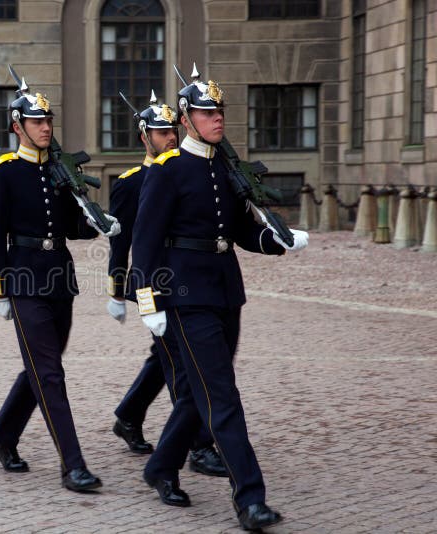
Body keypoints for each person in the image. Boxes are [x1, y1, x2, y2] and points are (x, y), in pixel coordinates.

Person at [130, 66, 308, 531]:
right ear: (187, 118)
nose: (217, 118)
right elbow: (145, 242)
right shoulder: (168, 169)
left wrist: (277, 241)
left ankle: (160, 467)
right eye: (207, 112)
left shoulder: (225, 168)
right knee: (223, 396)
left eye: (220, 111)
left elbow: (241, 231)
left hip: (226, 291)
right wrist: (149, 302)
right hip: (185, 296)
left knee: (201, 393)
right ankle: (250, 499)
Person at [0, 76, 120, 492]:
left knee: (40, 368)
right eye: (36, 121)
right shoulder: (4, 173)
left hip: (59, 276)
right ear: (17, 126)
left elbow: (70, 227)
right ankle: (72, 465)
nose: (45, 127)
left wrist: (98, 224)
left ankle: (2, 438)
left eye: (48, 120)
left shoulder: (61, 172)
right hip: (23, 278)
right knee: (50, 372)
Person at [107, 91, 227, 478]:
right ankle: (198, 446)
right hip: (156, 288)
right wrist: (121, 292)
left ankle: (128, 415)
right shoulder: (131, 182)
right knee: (180, 367)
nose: (169, 137)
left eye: (172, 130)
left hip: (184, 283)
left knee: (166, 359)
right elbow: (124, 242)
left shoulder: (186, 169)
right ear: (145, 136)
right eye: (160, 133)